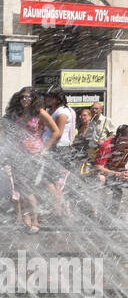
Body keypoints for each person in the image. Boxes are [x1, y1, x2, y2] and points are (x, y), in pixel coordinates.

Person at [4, 87, 51, 233]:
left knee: (29, 188)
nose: (25, 99)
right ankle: (26, 219)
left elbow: (56, 131)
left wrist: (44, 149)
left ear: (34, 99)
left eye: (28, 97)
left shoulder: (39, 113)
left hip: (33, 155)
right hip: (18, 155)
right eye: (23, 97)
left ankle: (34, 221)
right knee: (20, 189)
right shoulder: (18, 113)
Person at [94, 124, 128, 220]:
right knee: (100, 178)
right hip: (107, 174)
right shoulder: (107, 145)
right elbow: (99, 167)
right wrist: (118, 174)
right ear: (121, 138)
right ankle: (96, 213)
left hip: (122, 174)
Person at [42, 85, 76, 220]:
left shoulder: (62, 112)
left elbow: (58, 134)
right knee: (53, 182)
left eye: (49, 96)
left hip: (58, 149)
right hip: (55, 149)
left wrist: (46, 149)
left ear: (57, 98)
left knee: (50, 181)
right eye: (46, 96)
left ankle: (57, 212)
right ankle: (56, 211)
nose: (47, 99)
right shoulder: (52, 110)